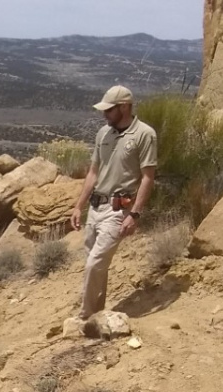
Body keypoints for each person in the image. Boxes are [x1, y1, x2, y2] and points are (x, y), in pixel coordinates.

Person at [69, 85, 157, 324]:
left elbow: (148, 176)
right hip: (96, 208)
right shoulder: (102, 134)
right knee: (97, 266)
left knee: (95, 263)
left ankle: (85, 318)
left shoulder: (144, 134)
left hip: (119, 209)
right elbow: (93, 173)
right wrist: (79, 206)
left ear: (125, 107)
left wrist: (135, 214)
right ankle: (97, 315)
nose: (104, 114)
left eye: (109, 109)